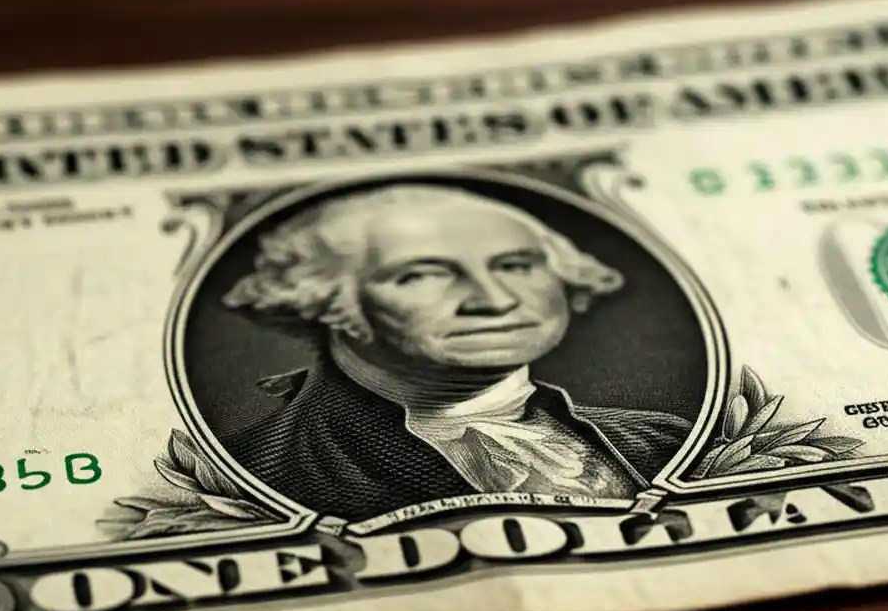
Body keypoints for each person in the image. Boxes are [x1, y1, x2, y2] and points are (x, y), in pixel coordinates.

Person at [220, 184, 690, 522]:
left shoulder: (665, 441)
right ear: (325, 301)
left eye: (516, 265)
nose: (494, 300)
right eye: (423, 275)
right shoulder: (253, 477)